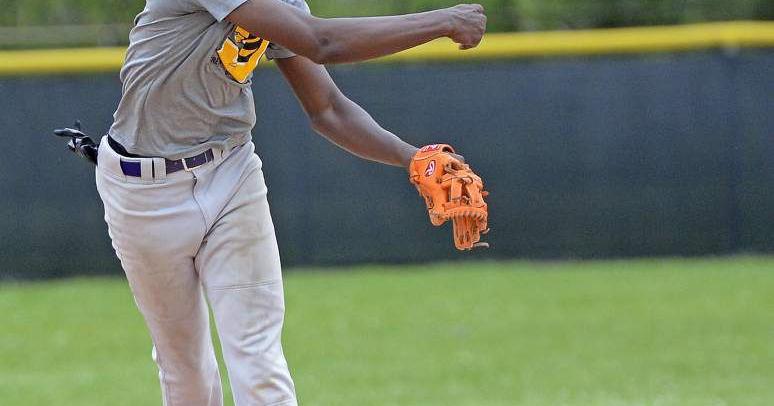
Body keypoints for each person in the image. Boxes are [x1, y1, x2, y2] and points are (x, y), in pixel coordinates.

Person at [95, 0, 486, 404]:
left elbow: (328, 109)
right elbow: (322, 41)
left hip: (230, 169)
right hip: (144, 190)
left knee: (258, 359)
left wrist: (412, 158)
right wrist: (443, 21)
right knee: (186, 372)